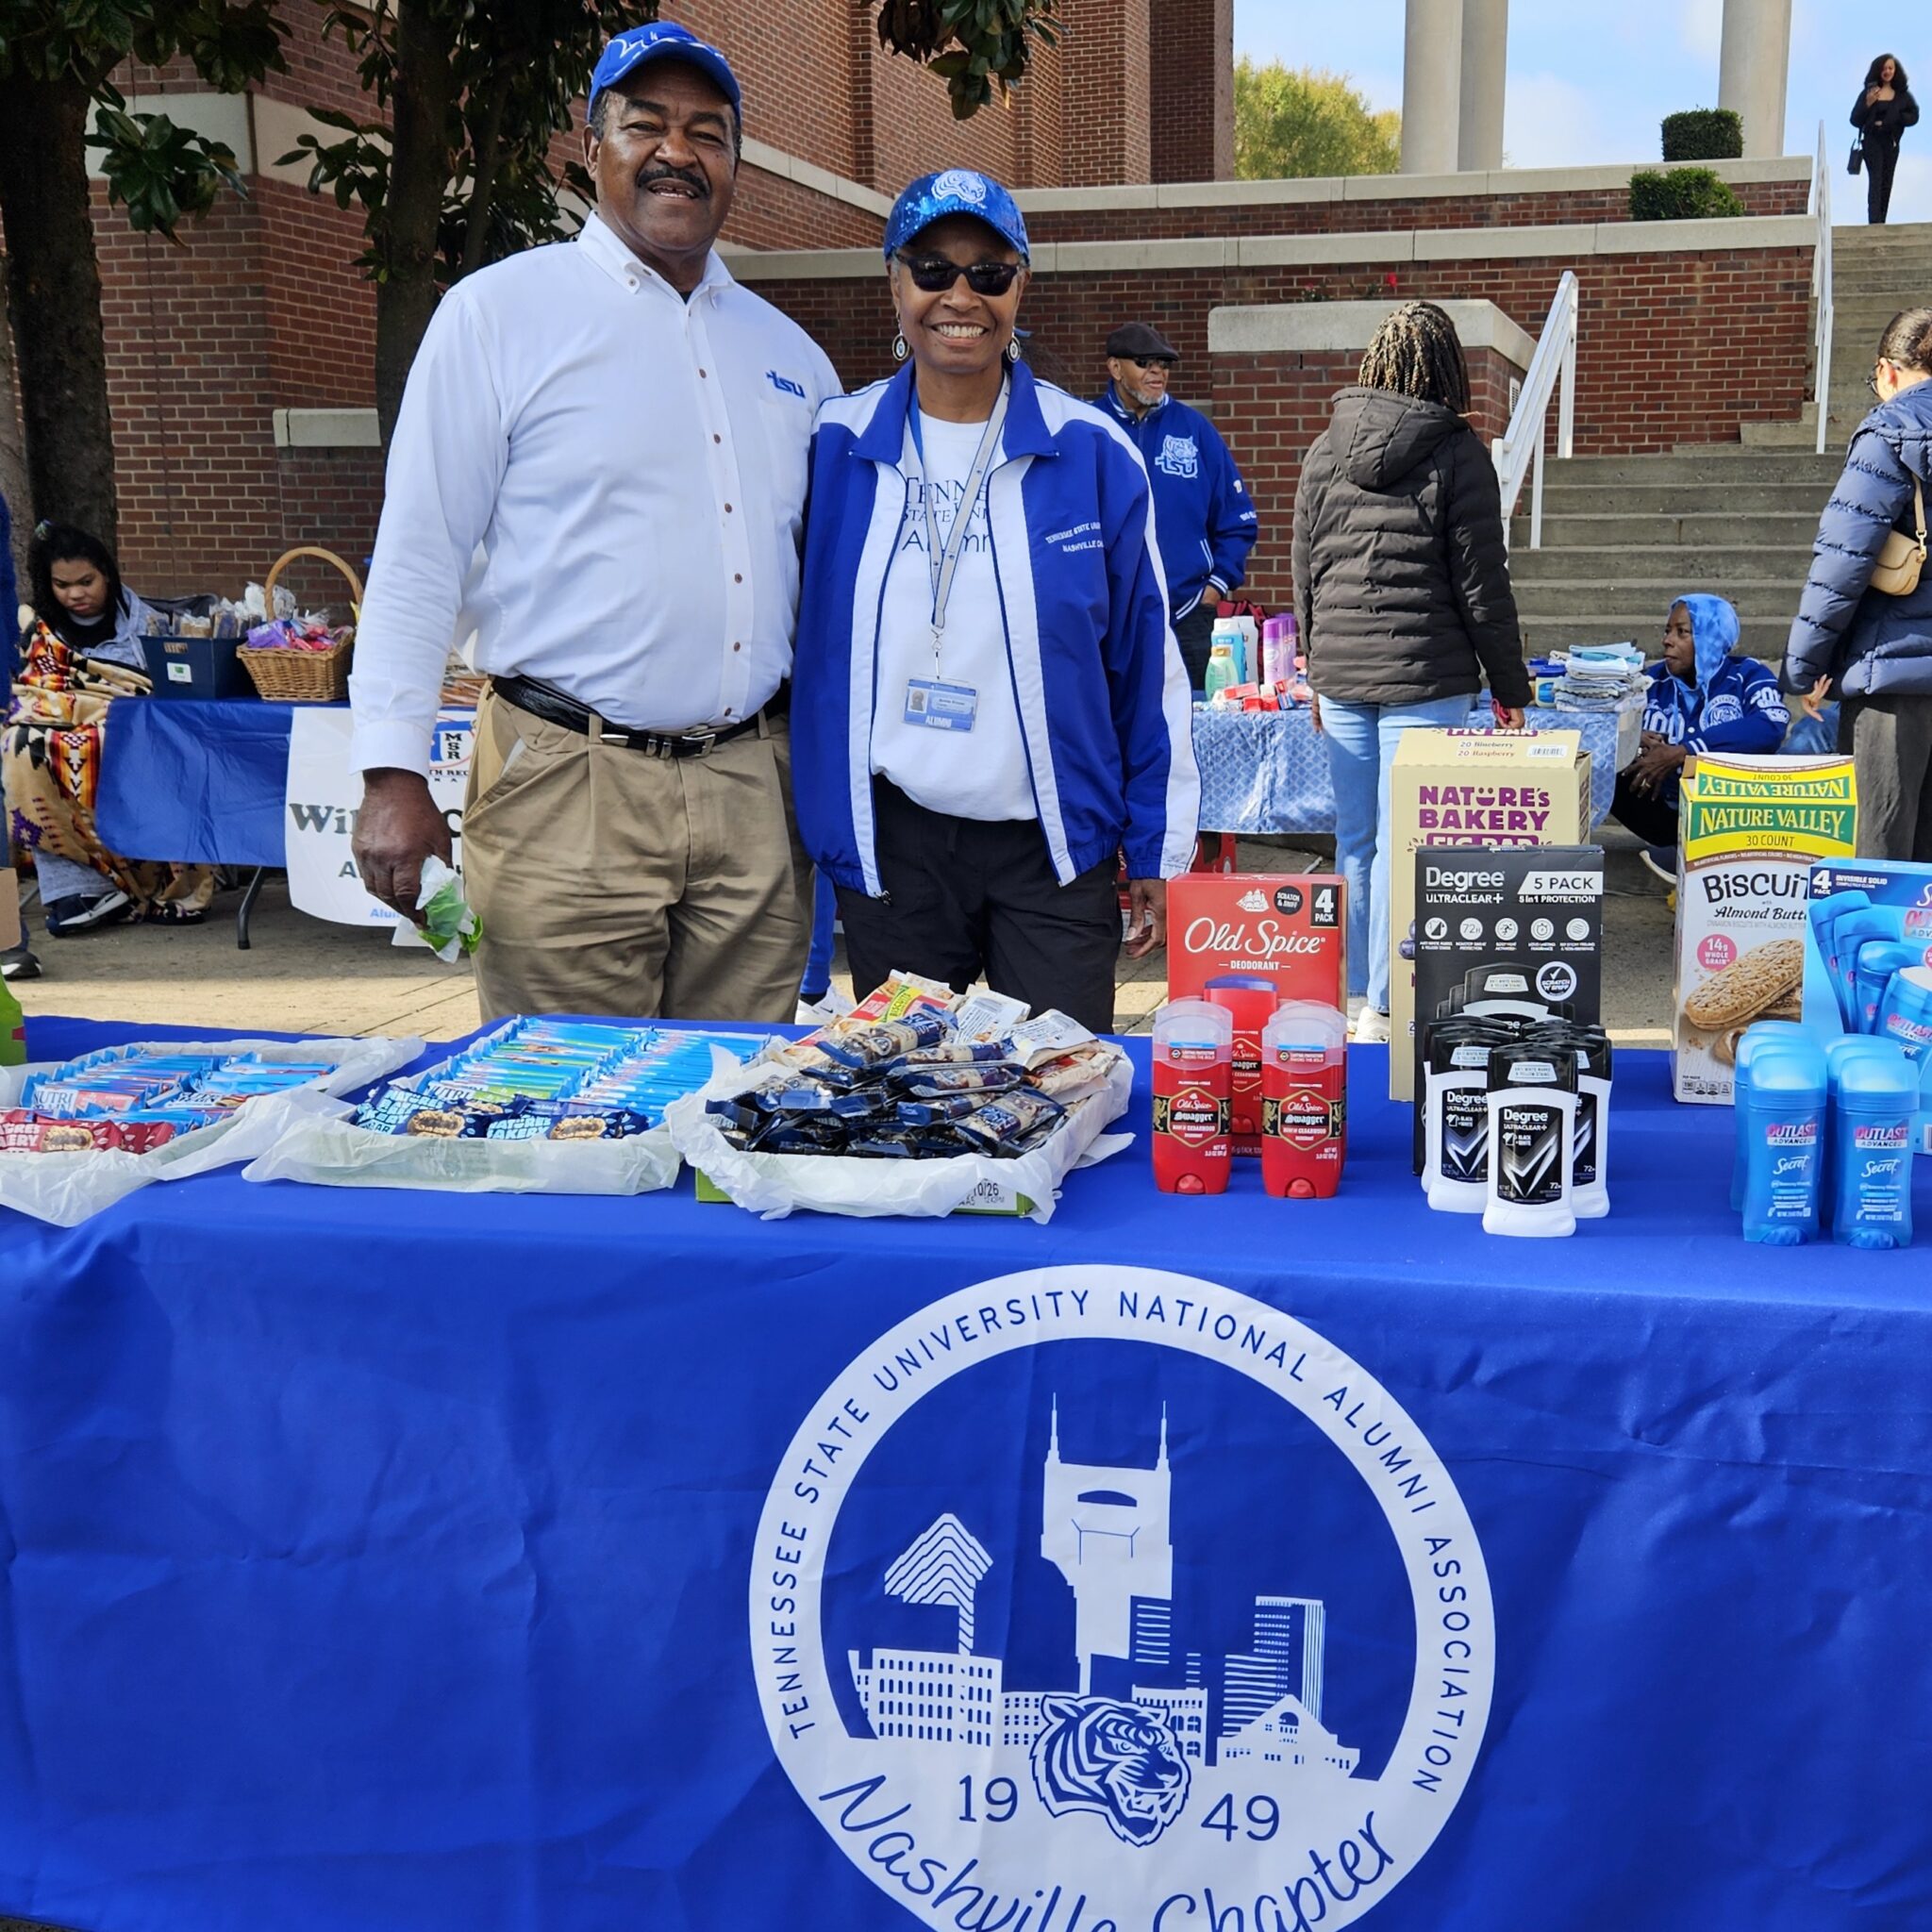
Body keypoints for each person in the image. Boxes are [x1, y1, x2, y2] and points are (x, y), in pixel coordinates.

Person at [348, 21, 839, 1023]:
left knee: (730, 1115)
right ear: (591, 147)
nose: (678, 152)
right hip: (567, 785)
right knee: (565, 1120)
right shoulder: (497, 317)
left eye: (708, 132)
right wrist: (390, 771)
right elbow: (417, 554)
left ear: (734, 162)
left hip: (754, 791)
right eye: (645, 124)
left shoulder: (790, 358)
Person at [791, 171, 1199, 1036]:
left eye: (990, 271)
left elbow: (1147, 669)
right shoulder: (832, 444)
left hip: (1050, 850)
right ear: (895, 282)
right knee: (902, 1106)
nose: (960, 295)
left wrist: (1157, 846)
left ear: (1023, 284)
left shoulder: (1092, 453)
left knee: (1061, 1097)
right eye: (933, 269)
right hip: (894, 844)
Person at [1291, 301, 1530, 1042]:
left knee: (1357, 842)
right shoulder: (1459, 454)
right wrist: (1511, 687)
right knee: (1407, 843)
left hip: (1340, 672)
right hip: (1427, 677)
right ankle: (1386, 1007)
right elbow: (1482, 583)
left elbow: (1304, 566)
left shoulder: (1323, 449)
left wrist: (1312, 661)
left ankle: (1360, 993)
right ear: (1447, 369)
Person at [3, 522, 215, 934]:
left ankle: (102, 890)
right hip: (50, 722)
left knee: (84, 745)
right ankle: (78, 890)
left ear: (108, 574)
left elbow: (153, 688)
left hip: (126, 724)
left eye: (86, 581)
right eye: (62, 585)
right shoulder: (35, 630)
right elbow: (28, 689)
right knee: (20, 747)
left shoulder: (148, 626)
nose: (76, 595)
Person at [1786, 308, 1932, 861]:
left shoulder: (1890, 429)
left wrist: (1805, 666)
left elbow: (1842, 563)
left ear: (1887, 371)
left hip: (1893, 671)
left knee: (1882, 852)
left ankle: (1879, 953)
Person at [1092, 322, 1257, 690]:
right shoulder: (1088, 428)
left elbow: (1238, 518)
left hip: (1189, 615)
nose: (1157, 372)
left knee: (1199, 728)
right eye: (1145, 362)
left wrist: (1212, 591)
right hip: (1109, 620)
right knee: (1114, 734)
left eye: (1163, 364)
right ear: (1115, 368)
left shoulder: (1195, 429)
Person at [1612, 594, 1789, 877]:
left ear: (1711, 637)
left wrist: (1686, 750)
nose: (1667, 640)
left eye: (1682, 632)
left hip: (1731, 813)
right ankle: (1678, 849)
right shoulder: (1650, 681)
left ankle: (1702, 854)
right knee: (1603, 762)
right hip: (1664, 809)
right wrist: (1634, 737)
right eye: (1667, 631)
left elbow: (1771, 725)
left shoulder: (1748, 675)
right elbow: (1607, 719)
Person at [1853, 54, 1918, 226]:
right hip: (1872, 140)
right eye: (1884, 68)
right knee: (1876, 178)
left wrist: (1895, 119)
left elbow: (1913, 116)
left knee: (1887, 181)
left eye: (1890, 68)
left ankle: (1881, 219)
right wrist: (1868, 103)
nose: (1887, 71)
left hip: (1891, 142)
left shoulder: (1902, 95)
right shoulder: (1869, 93)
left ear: (1895, 71)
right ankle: (1874, 220)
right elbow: (1855, 119)